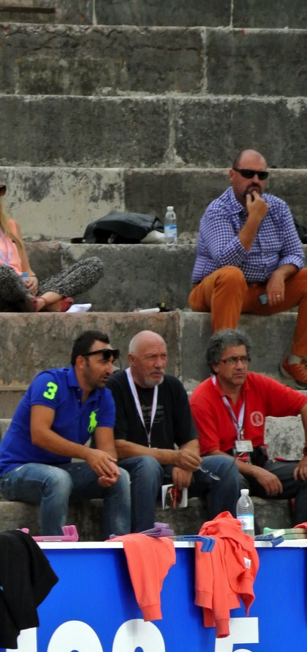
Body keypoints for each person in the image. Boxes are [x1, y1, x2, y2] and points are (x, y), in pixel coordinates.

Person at [0, 330, 131, 537]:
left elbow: (106, 448)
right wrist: (88, 454)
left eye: (111, 362)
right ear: (81, 362)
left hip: (58, 471)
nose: (110, 369)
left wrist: (107, 470)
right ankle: (55, 554)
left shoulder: (105, 397)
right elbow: (39, 434)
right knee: (57, 479)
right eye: (103, 362)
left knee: (120, 478)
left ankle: (118, 551)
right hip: (14, 472)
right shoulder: (50, 382)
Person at [189, 149, 306, 386]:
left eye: (261, 175)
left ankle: (296, 359)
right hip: (216, 290)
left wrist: (280, 274)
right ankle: (223, 364)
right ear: (232, 175)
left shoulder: (279, 207)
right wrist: (253, 219)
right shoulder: (217, 211)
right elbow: (225, 260)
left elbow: (295, 253)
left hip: (263, 292)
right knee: (232, 276)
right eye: (248, 173)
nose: (255, 180)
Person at [109, 330, 240, 533]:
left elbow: (191, 440)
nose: (159, 364)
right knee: (148, 464)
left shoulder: (172, 386)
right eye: (152, 357)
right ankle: (144, 540)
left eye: (163, 356)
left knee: (224, 466)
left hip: (169, 468)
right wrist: (174, 456)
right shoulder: (115, 386)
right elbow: (117, 446)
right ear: (132, 360)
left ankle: (224, 536)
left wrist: (186, 464)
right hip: (133, 470)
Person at [190, 329, 307, 527]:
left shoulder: (256, 383)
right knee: (233, 482)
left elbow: (304, 404)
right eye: (232, 360)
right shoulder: (201, 399)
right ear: (216, 365)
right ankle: (246, 546)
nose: (240, 366)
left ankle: (302, 539)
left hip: (259, 462)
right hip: (228, 470)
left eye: (244, 359)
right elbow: (211, 453)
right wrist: (255, 472)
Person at [0, 165, 103, 313]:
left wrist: (32, 279)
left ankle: (41, 302)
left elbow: (27, 270)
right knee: (2, 273)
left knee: (94, 265)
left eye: (1, 189)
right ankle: (47, 304)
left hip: (23, 290)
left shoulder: (12, 226)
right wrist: (9, 280)